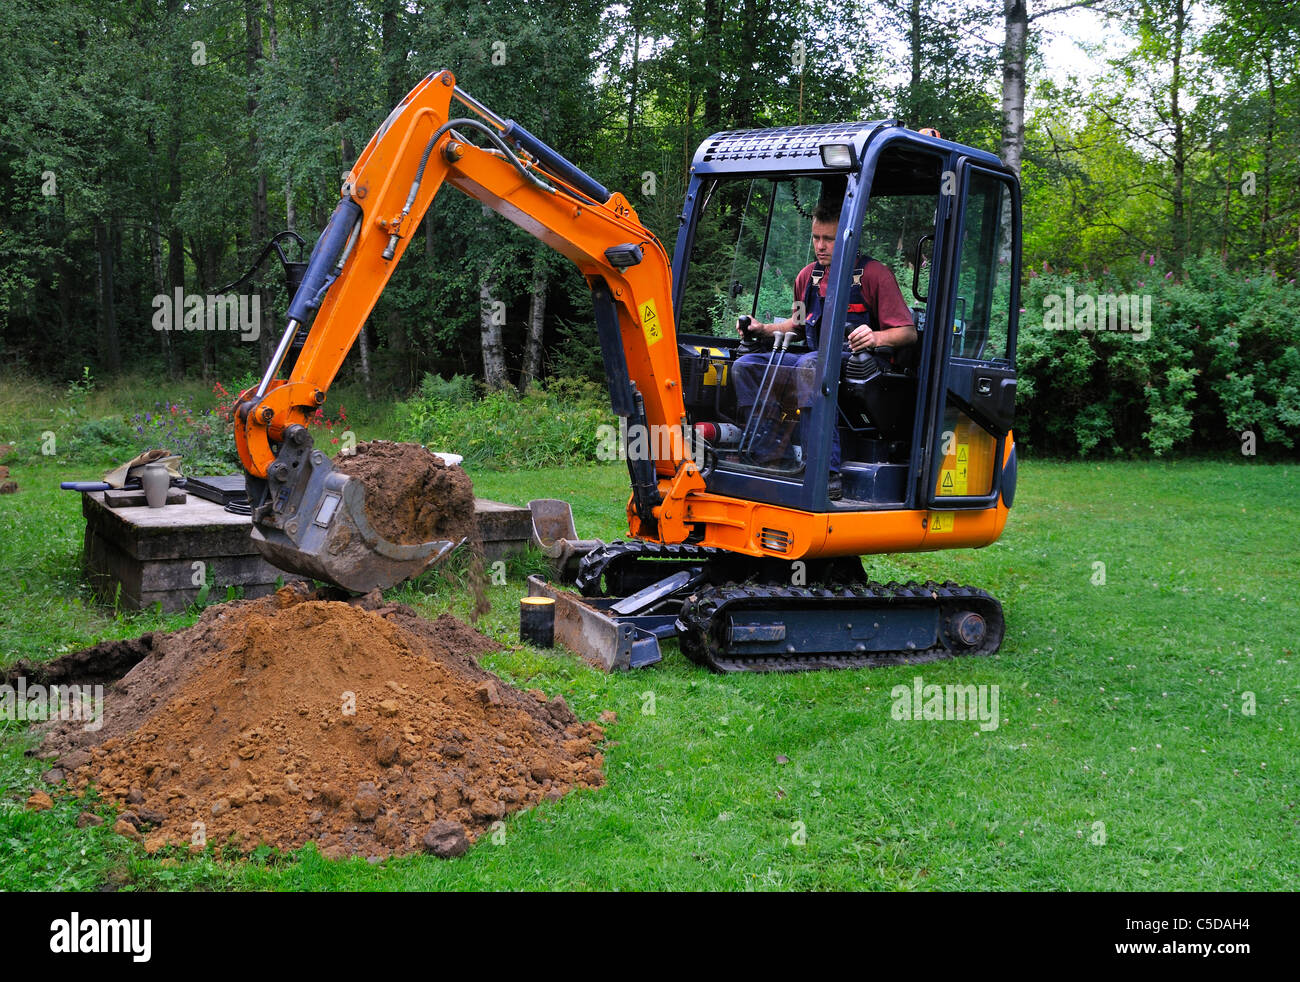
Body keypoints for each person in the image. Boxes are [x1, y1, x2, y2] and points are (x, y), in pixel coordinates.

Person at [731, 200, 917, 500]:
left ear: (848, 236)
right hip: (816, 360)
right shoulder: (807, 277)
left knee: (809, 364)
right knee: (748, 365)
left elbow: (907, 333)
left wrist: (875, 337)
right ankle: (769, 459)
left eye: (828, 239)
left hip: (862, 366)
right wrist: (762, 329)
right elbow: (799, 324)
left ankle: (824, 473)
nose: (820, 246)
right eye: (816, 238)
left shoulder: (874, 276)